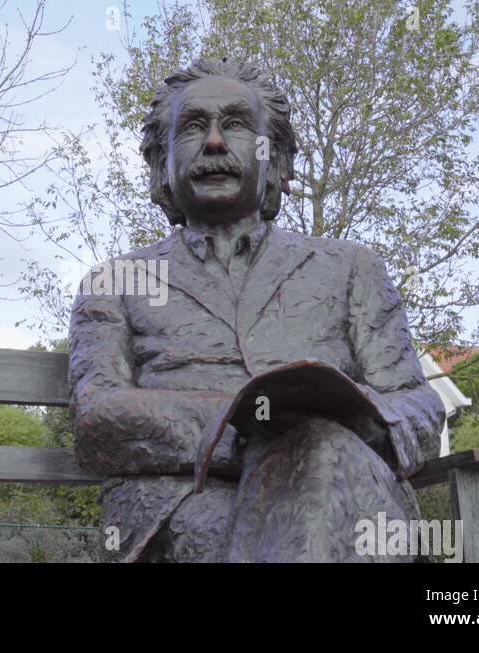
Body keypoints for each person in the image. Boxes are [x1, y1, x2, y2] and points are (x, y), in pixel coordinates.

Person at [68, 58, 445, 562]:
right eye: (193, 127)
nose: (216, 142)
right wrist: (253, 430)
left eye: (238, 124)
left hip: (347, 488)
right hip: (185, 503)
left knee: (322, 456)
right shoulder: (114, 281)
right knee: (303, 469)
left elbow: (416, 408)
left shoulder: (352, 268)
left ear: (279, 160)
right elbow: (98, 420)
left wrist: (354, 421)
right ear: (162, 162)